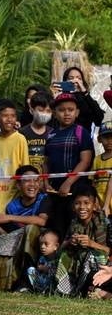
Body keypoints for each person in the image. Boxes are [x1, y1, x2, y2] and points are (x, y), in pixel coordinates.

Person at [43, 92, 93, 237]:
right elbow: (46, 161)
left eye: (70, 110)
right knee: (57, 226)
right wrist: (45, 182)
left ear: (77, 112)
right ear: (54, 113)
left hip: (75, 190)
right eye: (61, 110)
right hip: (54, 191)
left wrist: (68, 182)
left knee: (75, 227)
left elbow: (86, 161)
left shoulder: (81, 132)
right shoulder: (51, 134)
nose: (66, 113)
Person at [54, 184, 110, 297]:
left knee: (91, 256)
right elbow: (60, 250)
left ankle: (84, 289)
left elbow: (108, 251)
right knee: (64, 255)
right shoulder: (74, 222)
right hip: (78, 266)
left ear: (94, 205)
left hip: (103, 267)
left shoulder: (104, 222)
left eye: (86, 203)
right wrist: (70, 242)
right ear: (73, 206)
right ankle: (67, 290)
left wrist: (91, 243)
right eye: (77, 203)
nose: (82, 207)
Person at [0, 99, 29, 214]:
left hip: (13, 197)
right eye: (5, 115)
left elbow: (25, 170)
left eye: (13, 116)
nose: (9, 119)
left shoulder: (20, 139)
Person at [52, 66, 104, 139]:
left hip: (83, 140)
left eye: (79, 78)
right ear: (64, 81)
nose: (75, 81)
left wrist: (85, 92)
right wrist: (54, 99)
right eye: (71, 78)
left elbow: (99, 119)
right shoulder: (59, 98)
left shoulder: (87, 99)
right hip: (63, 139)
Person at [19, 90, 53, 173]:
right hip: (28, 179)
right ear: (31, 110)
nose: (44, 114)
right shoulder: (21, 133)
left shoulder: (53, 133)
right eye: (41, 110)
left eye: (48, 111)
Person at [24, 229, 60, 294]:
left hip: (51, 284)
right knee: (31, 270)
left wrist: (47, 269)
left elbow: (58, 271)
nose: (42, 247)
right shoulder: (42, 258)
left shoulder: (58, 259)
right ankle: (37, 289)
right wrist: (39, 268)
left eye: (46, 244)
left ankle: (49, 291)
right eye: (41, 244)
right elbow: (39, 268)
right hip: (42, 280)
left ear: (56, 246)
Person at [95, 122, 112, 215]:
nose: (110, 140)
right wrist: (95, 200)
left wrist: (106, 205)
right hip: (100, 206)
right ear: (99, 139)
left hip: (107, 205)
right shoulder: (97, 159)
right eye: (106, 137)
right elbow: (93, 181)